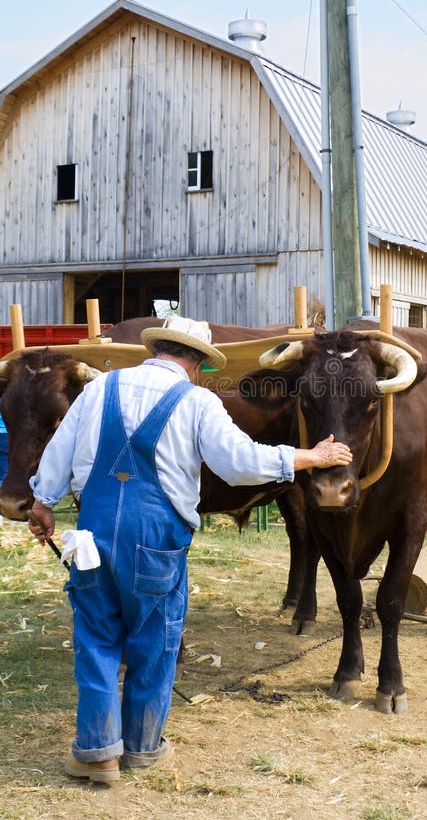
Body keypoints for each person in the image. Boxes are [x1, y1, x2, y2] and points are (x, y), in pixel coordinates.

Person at [27, 317, 352, 784]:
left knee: (96, 639)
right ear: (196, 363)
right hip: (156, 537)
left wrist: (42, 504)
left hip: (92, 534)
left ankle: (97, 752)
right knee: (154, 640)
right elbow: (240, 462)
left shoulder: (99, 390)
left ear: (155, 348)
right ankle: (141, 748)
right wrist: (308, 458)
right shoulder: (197, 401)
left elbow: (58, 452)